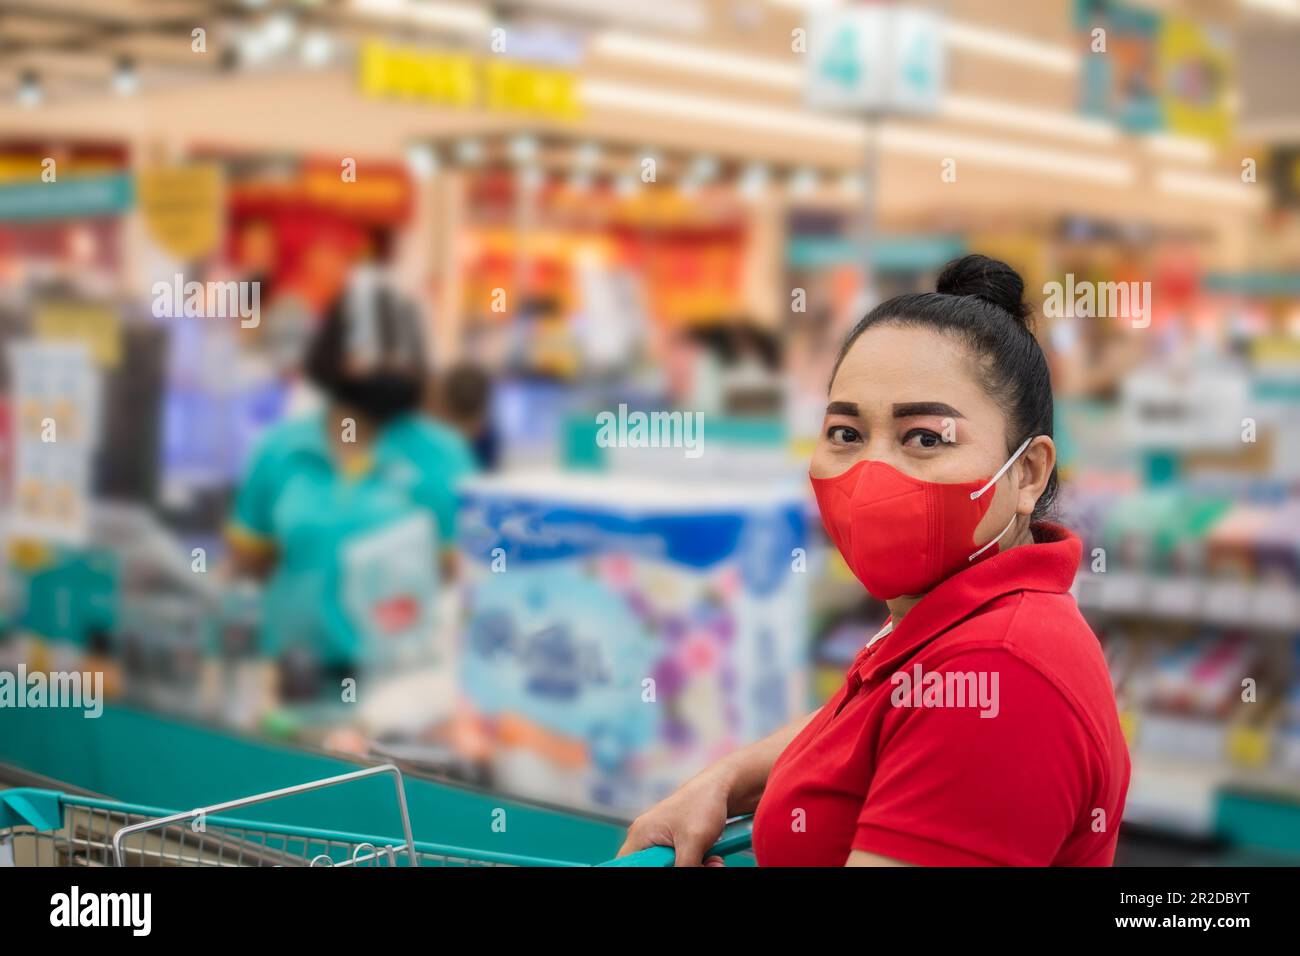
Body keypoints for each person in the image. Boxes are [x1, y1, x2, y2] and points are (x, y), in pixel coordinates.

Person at [618, 255, 1130, 867]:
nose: (870, 474)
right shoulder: (950, 617)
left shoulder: (1003, 672)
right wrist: (727, 779)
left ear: (1027, 472)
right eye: (845, 433)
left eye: (925, 438)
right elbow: (877, 720)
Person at [226, 272, 477, 697]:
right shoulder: (281, 451)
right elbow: (248, 567)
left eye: (403, 352)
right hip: (289, 689)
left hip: (399, 694)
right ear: (335, 352)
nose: (392, 366)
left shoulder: (442, 458)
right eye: (375, 350)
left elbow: (464, 584)